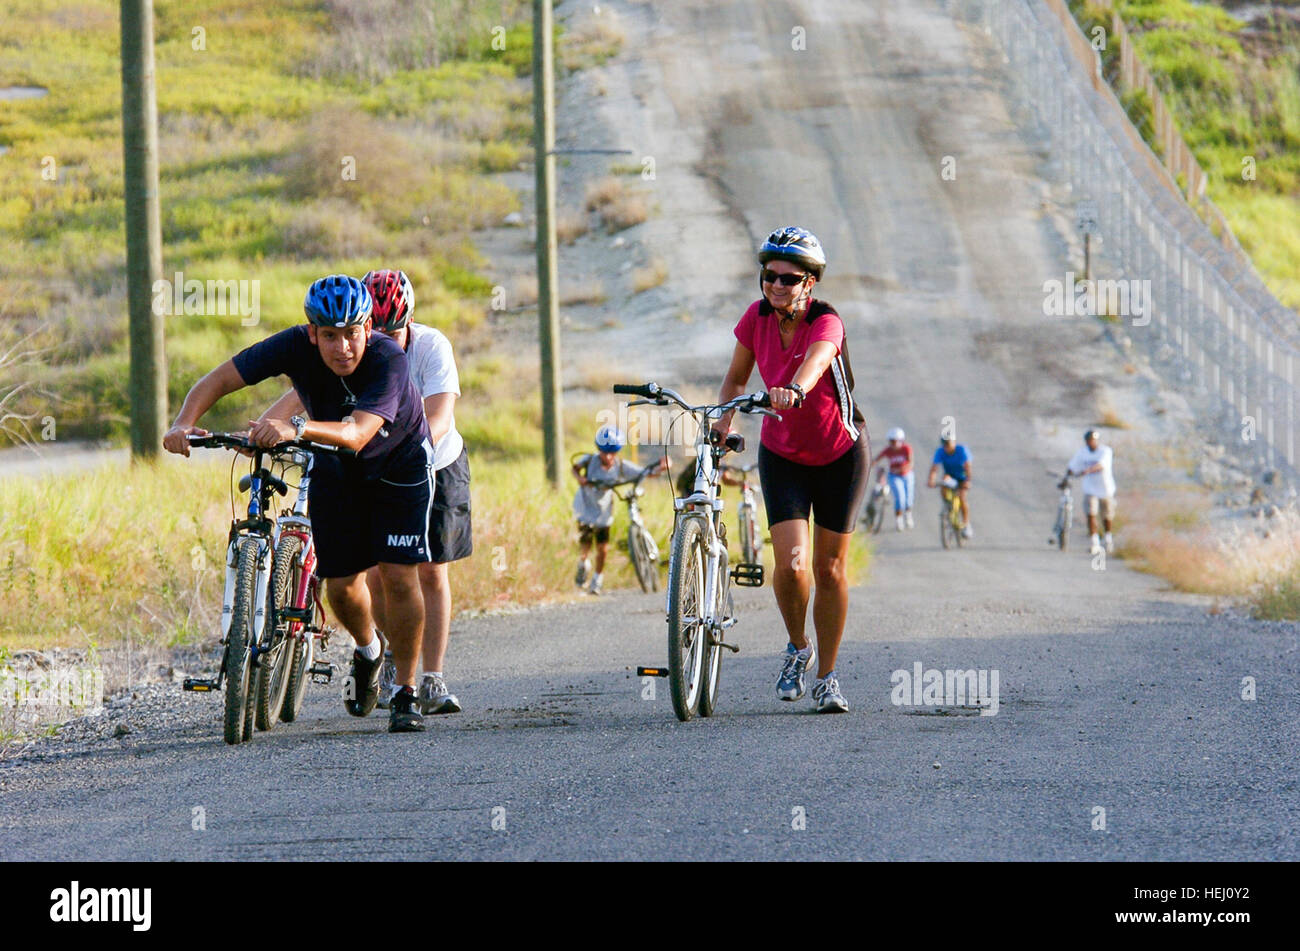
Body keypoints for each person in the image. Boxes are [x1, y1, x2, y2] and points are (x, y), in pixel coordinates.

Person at [163, 274, 433, 733]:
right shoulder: (293, 345)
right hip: (336, 469)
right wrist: (183, 423)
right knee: (342, 588)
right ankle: (369, 651)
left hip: (398, 467)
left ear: (369, 328)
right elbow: (222, 378)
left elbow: (356, 433)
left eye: (352, 333)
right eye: (329, 335)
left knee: (398, 577)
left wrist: (295, 427)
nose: (342, 347)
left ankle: (405, 690)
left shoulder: (389, 359)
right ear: (312, 333)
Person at [712, 226, 871, 714]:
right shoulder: (755, 318)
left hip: (840, 454)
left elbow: (819, 360)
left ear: (810, 282)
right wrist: (723, 420)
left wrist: (795, 388)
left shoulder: (827, 321)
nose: (777, 285)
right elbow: (735, 379)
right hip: (782, 454)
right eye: (769, 275)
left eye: (789, 277)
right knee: (792, 565)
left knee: (828, 568)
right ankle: (798, 647)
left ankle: (827, 676)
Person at [360, 269, 472, 717]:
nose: (383, 341)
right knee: (378, 572)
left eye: (393, 332)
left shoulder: (432, 346)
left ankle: (432, 677)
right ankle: (393, 655)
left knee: (430, 572)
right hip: (376, 463)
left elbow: (441, 414)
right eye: (376, 332)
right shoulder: (355, 347)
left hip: (437, 461)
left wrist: (413, 446)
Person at [572, 426, 666, 595]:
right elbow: (575, 468)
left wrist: (661, 467)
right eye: (603, 452)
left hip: (603, 511)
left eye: (611, 453)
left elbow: (644, 473)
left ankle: (596, 581)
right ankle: (583, 564)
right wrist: (581, 480)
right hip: (585, 507)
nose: (607, 457)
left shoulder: (621, 466)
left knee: (602, 548)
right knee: (585, 542)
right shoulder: (589, 460)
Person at [1067, 428, 1116, 554]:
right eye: (1089, 440)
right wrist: (1067, 475)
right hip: (1090, 489)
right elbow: (1073, 466)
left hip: (1105, 488)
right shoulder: (1083, 453)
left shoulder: (1105, 451)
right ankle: (1095, 542)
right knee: (1091, 514)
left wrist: (1087, 471)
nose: (1091, 443)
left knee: (1106, 515)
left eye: (1093, 440)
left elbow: (1101, 465)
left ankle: (1108, 537)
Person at [927, 433, 973, 539]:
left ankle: (967, 524)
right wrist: (931, 480)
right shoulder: (940, 452)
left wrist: (968, 481)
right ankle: (948, 506)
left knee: (962, 498)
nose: (946, 447)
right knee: (943, 486)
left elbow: (968, 467)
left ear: (954, 442)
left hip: (962, 477)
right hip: (949, 476)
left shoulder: (962, 450)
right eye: (944, 445)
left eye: (948, 444)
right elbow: (934, 468)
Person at [872, 427, 914, 531]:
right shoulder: (888, 450)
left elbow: (911, 463)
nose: (893, 444)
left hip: (907, 475)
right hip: (894, 476)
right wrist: (871, 464)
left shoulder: (906, 449)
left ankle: (908, 516)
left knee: (908, 498)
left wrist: (902, 469)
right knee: (900, 498)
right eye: (891, 441)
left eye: (895, 441)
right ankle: (899, 520)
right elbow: (877, 459)